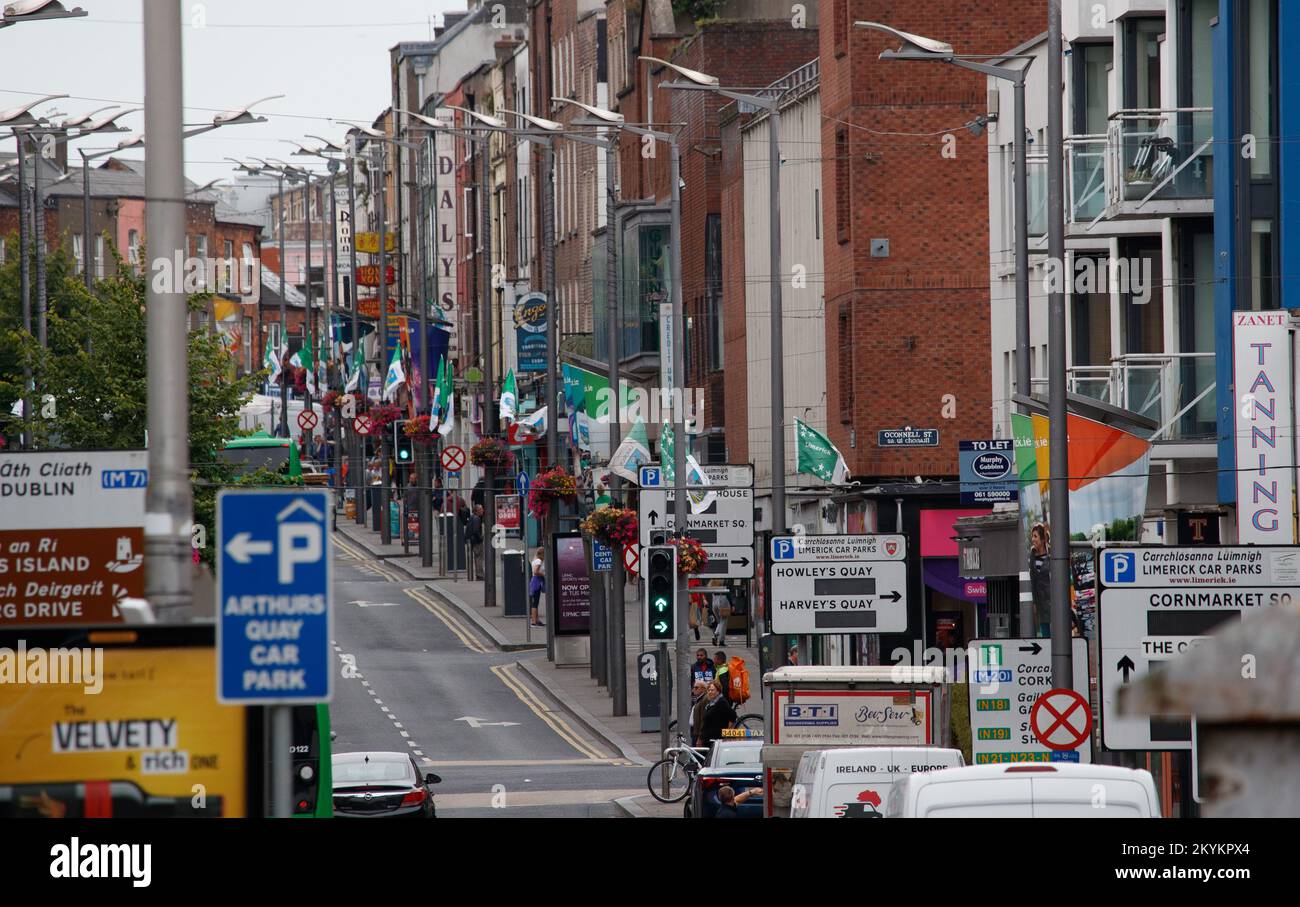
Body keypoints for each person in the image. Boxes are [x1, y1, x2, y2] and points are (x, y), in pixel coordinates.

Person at [699, 681, 736, 748]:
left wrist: (726, 733)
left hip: (716, 740)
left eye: (712, 690)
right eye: (709, 690)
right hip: (708, 739)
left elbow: (733, 716)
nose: (710, 692)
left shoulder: (721, 702)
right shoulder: (711, 703)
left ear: (718, 691)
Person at [466, 504, 485, 581]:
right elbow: (476, 530)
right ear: (477, 511)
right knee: (479, 558)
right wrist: (480, 538)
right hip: (477, 542)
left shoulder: (472, 517)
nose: (483, 510)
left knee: (477, 558)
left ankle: (479, 574)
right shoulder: (477, 519)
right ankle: (480, 575)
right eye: (481, 509)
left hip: (472, 541)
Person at [529, 548, 545, 627]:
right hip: (537, 582)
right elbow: (536, 571)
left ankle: (536, 620)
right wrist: (544, 574)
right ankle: (534, 622)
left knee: (535, 602)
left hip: (534, 581)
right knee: (535, 603)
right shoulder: (539, 561)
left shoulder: (535, 559)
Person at [689, 680, 709, 745]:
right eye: (694, 687)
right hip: (695, 731)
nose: (694, 690)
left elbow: (703, 720)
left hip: (698, 734)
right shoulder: (699, 698)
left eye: (696, 688)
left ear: (703, 689)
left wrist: (700, 738)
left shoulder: (704, 699)